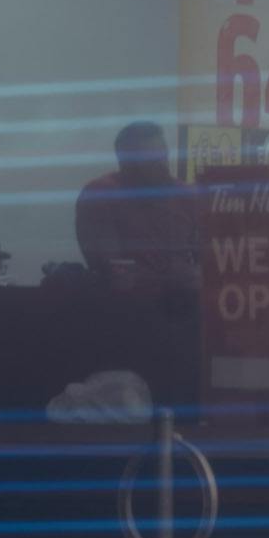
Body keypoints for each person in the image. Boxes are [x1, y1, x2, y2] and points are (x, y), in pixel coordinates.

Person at [69, 122, 204, 408]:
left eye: (162, 153)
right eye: (149, 157)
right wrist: (175, 277)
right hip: (125, 326)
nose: (161, 162)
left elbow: (209, 258)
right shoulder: (102, 194)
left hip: (183, 321)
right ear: (126, 162)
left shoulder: (187, 196)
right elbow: (113, 270)